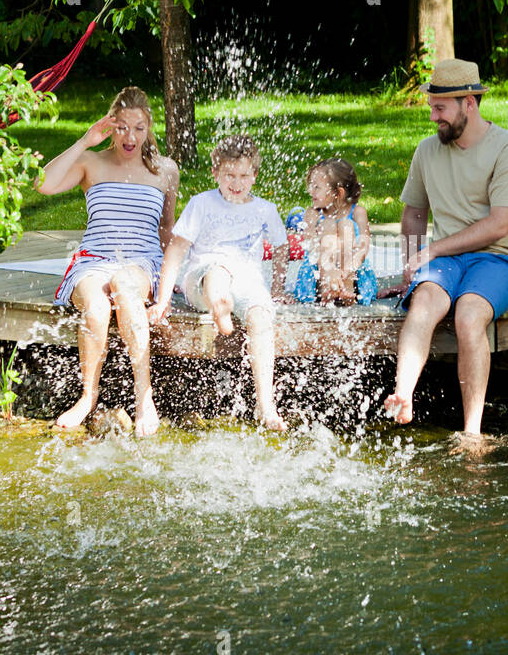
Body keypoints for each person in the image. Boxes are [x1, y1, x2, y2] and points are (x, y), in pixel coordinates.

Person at [382, 58, 508, 437]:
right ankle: (403, 394)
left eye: (440, 108)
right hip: (447, 260)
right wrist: (410, 267)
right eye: (432, 108)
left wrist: (433, 250)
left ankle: (472, 432)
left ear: (469, 103)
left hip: (499, 259)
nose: (433, 117)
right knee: (424, 301)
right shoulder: (426, 151)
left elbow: (500, 224)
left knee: (468, 316)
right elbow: (414, 213)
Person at [37, 86, 179, 436]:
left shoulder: (165, 170)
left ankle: (144, 397)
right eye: (122, 127)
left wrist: (168, 289)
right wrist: (85, 141)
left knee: (125, 288)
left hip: (141, 261)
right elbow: (44, 184)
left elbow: (167, 230)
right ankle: (88, 396)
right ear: (110, 126)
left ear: (149, 129)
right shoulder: (91, 163)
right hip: (93, 260)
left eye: (139, 128)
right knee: (97, 308)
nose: (130, 137)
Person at [151, 135, 290, 430]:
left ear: (254, 175)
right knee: (219, 270)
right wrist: (163, 299)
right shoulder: (202, 203)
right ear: (215, 173)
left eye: (243, 175)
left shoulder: (265, 209)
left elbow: (281, 248)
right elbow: (176, 249)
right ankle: (220, 306)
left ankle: (266, 404)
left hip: (247, 279)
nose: (236, 182)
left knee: (261, 315)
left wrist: (277, 288)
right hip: (202, 277)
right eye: (229, 175)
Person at [293, 158, 377, 306]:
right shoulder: (313, 214)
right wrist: (330, 269)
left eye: (317, 187)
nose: (310, 191)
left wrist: (346, 270)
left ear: (337, 193)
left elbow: (363, 247)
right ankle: (328, 290)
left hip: (352, 271)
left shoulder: (358, 212)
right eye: (311, 186)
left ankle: (347, 289)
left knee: (346, 225)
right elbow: (312, 246)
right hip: (318, 273)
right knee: (328, 224)